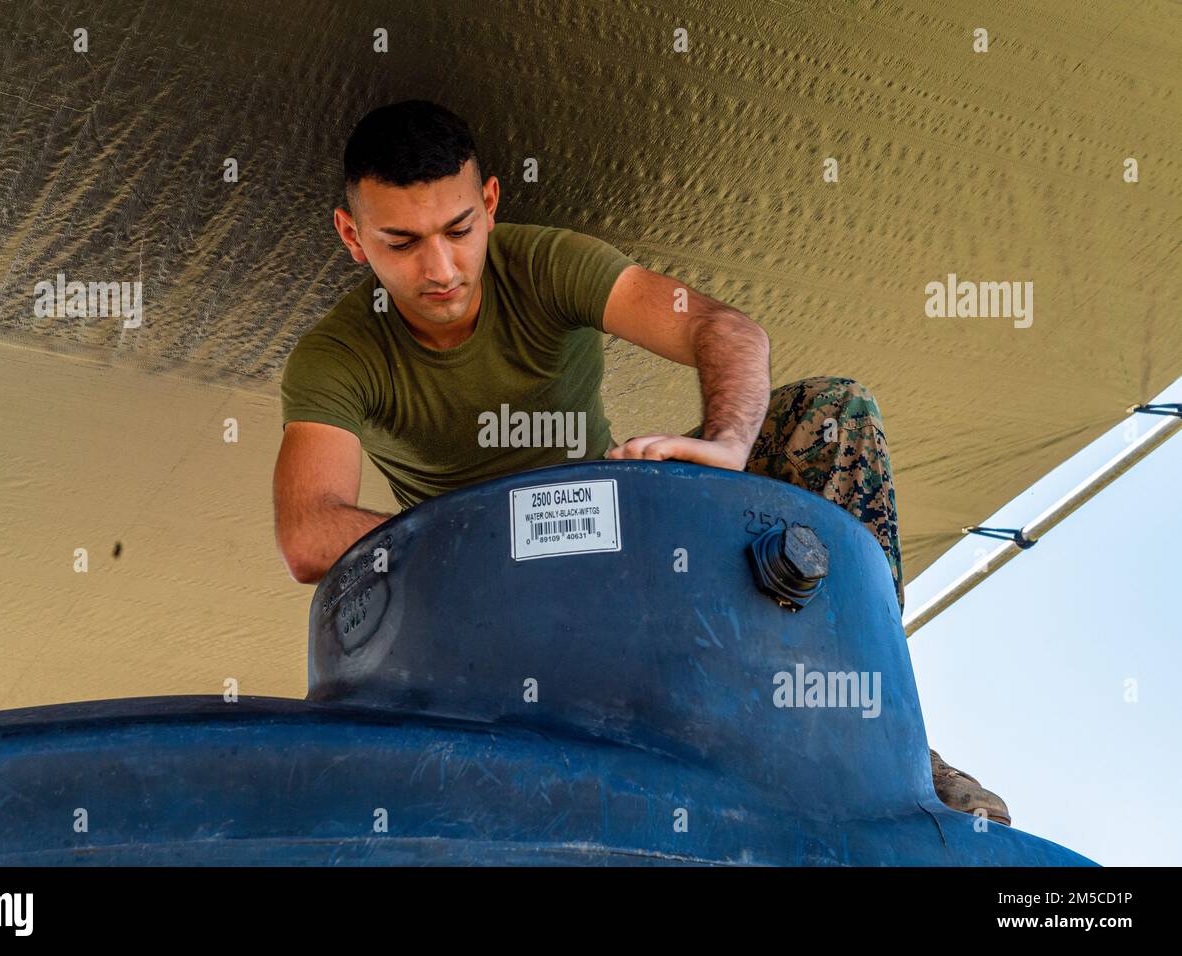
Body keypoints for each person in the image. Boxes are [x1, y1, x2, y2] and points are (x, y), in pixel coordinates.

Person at [273, 99, 1010, 827]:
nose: (441, 268)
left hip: (620, 551)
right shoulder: (339, 354)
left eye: (459, 230)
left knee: (833, 411)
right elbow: (309, 533)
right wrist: (483, 532)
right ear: (353, 236)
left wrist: (726, 443)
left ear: (489, 203)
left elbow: (726, 329)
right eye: (401, 243)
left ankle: (889, 739)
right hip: (476, 607)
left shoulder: (545, 264)